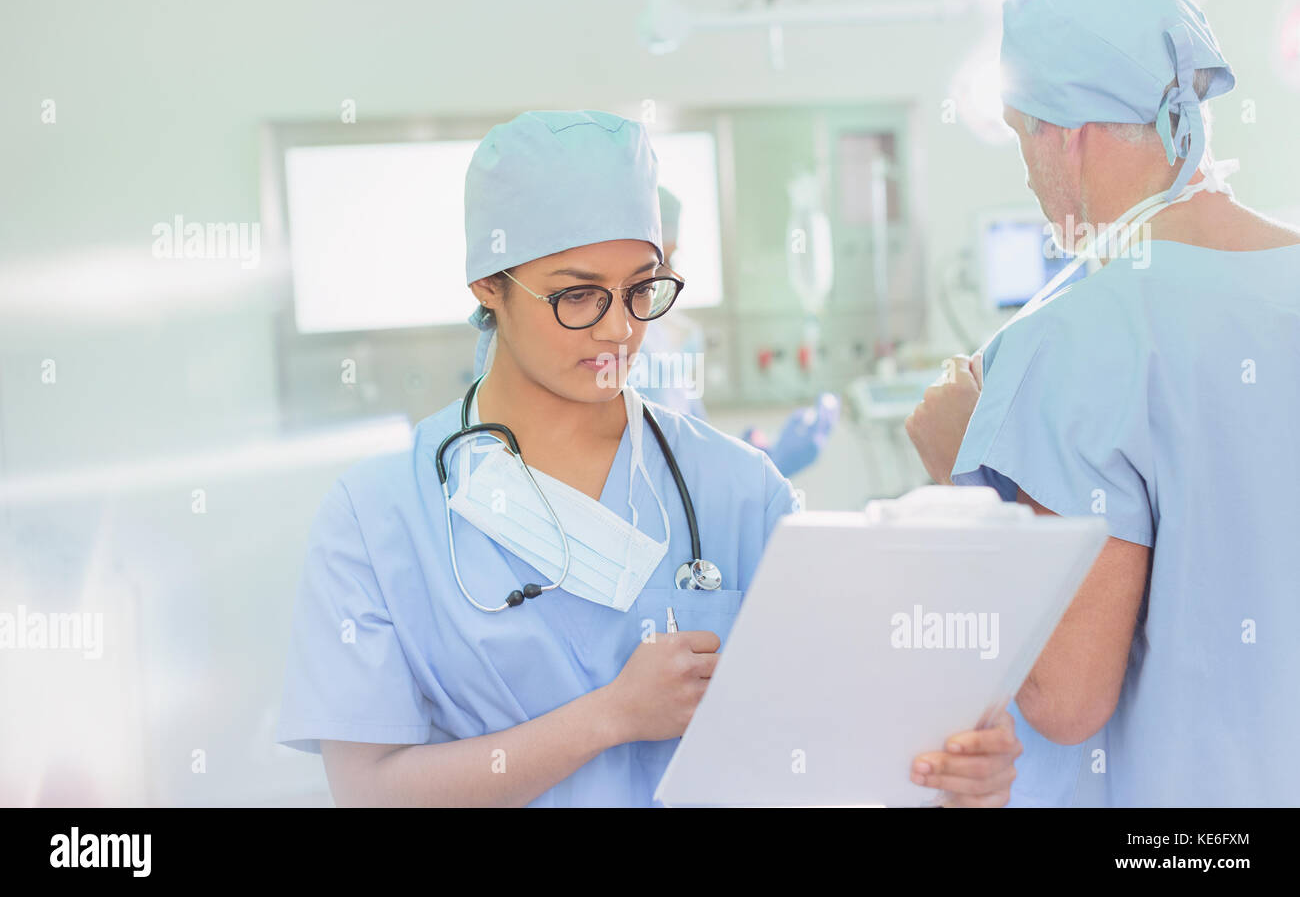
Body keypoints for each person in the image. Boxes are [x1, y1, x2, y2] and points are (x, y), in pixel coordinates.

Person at [276, 109, 1021, 806]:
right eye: (578, 297)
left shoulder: (735, 491)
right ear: (487, 285)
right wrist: (610, 718)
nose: (620, 332)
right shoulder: (378, 516)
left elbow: (820, 728)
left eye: (642, 290)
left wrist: (949, 767)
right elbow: (370, 788)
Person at [905, 0, 1300, 806]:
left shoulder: (1073, 337)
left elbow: (1066, 698)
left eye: (1021, 136)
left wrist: (961, 476)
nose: (1026, 169)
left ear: (1068, 135)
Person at [636, 185, 841, 478]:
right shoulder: (627, 351)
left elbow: (694, 454)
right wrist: (761, 469)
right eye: (653, 269)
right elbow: (669, 480)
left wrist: (746, 456)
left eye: (672, 262)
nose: (665, 281)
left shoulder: (671, 341)